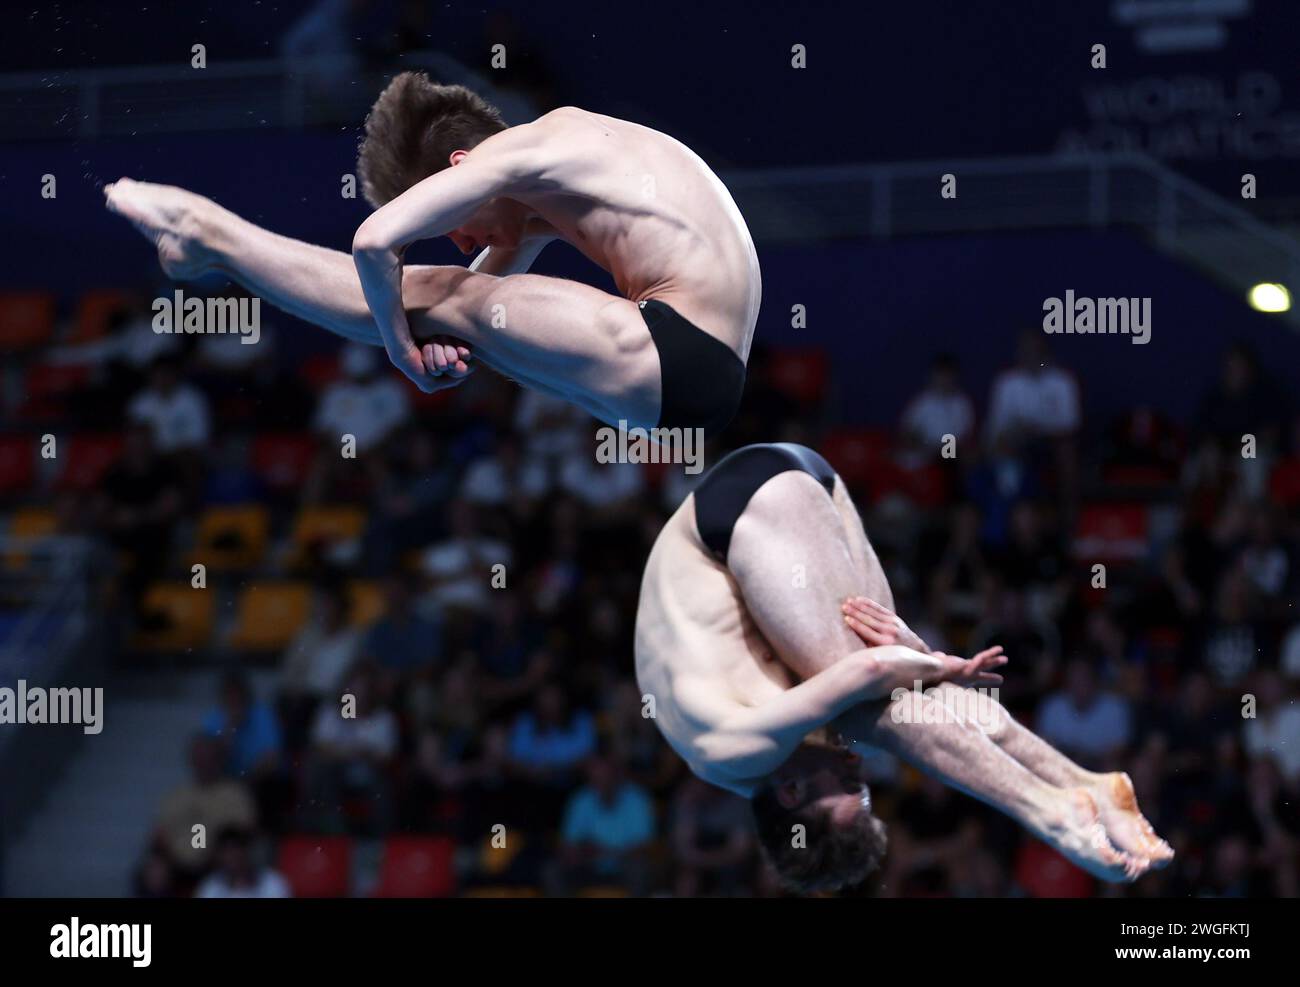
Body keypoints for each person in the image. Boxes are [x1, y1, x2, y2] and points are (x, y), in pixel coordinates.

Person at [633, 442, 1173, 893]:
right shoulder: (784, 755)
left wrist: (935, 663)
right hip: (813, 488)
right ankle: (1083, 782)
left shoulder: (730, 744)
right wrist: (928, 668)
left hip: (737, 507)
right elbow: (885, 676)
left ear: (792, 795)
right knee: (878, 712)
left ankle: (1050, 813)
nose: (858, 776)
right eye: (864, 794)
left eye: (850, 793)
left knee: (863, 714)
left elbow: (867, 674)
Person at [103, 72, 759, 438]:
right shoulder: (568, 168)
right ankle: (216, 244)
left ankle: (212, 233)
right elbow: (461, 302)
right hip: (700, 374)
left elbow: (375, 243)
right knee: (438, 301)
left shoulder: (524, 152)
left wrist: (399, 350)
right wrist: (433, 342)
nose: (461, 239)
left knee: (431, 296)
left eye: (449, 217)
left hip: (678, 353)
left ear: (462, 167)